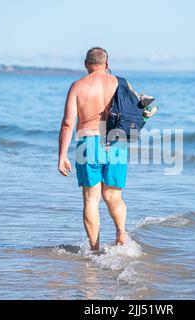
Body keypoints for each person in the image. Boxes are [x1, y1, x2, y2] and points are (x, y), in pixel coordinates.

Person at [58, 47, 130, 251]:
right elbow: (136, 111)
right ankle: (121, 233)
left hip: (88, 143)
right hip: (116, 141)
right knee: (114, 196)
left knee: (92, 199)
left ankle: (95, 249)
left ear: (86, 64)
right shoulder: (121, 83)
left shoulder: (78, 86)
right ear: (107, 64)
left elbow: (67, 123)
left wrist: (62, 155)